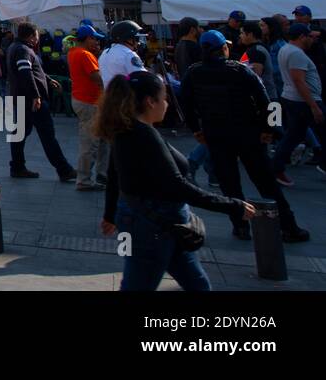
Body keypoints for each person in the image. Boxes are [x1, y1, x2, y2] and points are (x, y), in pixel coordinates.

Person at [98, 71, 253, 291]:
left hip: (156, 221)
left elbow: (115, 174)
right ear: (150, 102)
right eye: (164, 98)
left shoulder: (129, 129)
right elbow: (175, 184)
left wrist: (110, 213)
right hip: (154, 224)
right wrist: (231, 205)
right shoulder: (143, 135)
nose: (167, 103)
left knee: (198, 285)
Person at [179, 30, 309, 242]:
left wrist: (196, 129)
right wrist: (271, 130)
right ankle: (288, 226)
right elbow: (269, 103)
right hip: (248, 134)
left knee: (229, 184)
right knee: (266, 182)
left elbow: (185, 105)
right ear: (224, 48)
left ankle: (240, 226)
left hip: (216, 134)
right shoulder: (239, 70)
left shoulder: (194, 73)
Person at [7, 22, 76, 181]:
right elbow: (25, 73)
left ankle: (17, 167)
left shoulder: (16, 47)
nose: (38, 38)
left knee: (19, 134)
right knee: (47, 135)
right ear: (32, 36)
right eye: (37, 35)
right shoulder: (23, 50)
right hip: (32, 102)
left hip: (21, 98)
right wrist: (36, 96)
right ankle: (64, 169)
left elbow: (31, 71)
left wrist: (48, 79)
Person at [270, 23, 326, 181]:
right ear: (302, 37)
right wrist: (314, 106)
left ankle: (276, 167)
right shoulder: (296, 54)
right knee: (303, 133)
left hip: (292, 98)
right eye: (309, 36)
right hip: (304, 100)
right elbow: (298, 80)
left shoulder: (286, 49)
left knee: (294, 135)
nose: (311, 40)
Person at [67, 23, 109, 191]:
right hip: (88, 101)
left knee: (101, 139)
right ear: (88, 38)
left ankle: (101, 173)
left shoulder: (73, 53)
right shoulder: (85, 55)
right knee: (90, 142)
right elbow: (96, 77)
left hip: (82, 98)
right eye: (94, 40)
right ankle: (84, 179)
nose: (96, 43)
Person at [98, 20, 146, 85]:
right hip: (126, 94)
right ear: (127, 39)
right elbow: (143, 77)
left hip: (109, 94)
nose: (138, 42)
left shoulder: (104, 53)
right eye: (136, 39)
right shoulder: (128, 54)